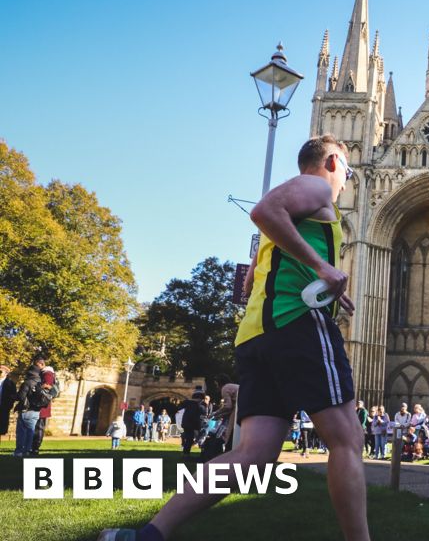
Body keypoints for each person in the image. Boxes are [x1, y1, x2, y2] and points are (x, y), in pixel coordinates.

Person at [100, 136, 369, 541]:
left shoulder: (294, 218)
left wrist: (322, 276)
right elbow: (263, 210)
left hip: (258, 335)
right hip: (297, 324)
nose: (347, 182)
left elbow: (256, 274)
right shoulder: (314, 186)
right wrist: (321, 266)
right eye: (348, 172)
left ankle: (149, 535)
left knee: (254, 454)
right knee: (348, 439)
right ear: (332, 161)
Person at [14, 354, 54, 458]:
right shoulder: (41, 379)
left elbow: (21, 397)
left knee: (23, 432)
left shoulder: (44, 375)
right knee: (32, 431)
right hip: (37, 409)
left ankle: (21, 451)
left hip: (28, 409)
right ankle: (29, 450)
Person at [31, 365, 58, 455]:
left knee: (38, 428)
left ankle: (35, 448)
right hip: (42, 406)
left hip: (41, 406)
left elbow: (47, 386)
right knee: (37, 427)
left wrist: (39, 387)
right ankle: (33, 447)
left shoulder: (47, 373)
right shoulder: (47, 373)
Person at [179, 392, 204, 457]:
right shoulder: (195, 405)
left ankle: (185, 452)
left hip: (185, 423)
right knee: (189, 440)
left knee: (188, 439)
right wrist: (197, 427)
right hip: (191, 425)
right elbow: (194, 417)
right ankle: (186, 453)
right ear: (199, 399)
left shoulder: (187, 403)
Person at [0, 365, 16, 438]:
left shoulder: (10, 383)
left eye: (1, 371)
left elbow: (13, 396)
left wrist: (9, 405)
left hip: (4, 408)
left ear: (6, 373)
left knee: (2, 429)